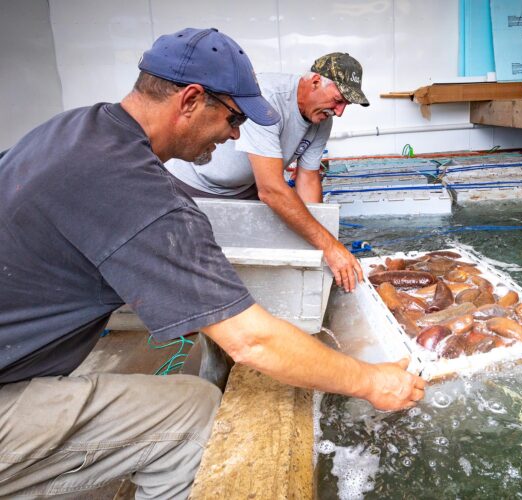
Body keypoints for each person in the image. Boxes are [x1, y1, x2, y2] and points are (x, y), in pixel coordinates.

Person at [0, 28, 425, 499]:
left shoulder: (74, 128)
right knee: (194, 412)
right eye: (233, 118)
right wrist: (370, 380)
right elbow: (253, 342)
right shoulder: (144, 199)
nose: (237, 135)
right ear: (190, 100)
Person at [165, 53, 369, 292]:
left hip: (245, 188)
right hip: (192, 184)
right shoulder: (267, 98)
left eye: (346, 104)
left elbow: (308, 179)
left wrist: (320, 248)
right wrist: (330, 247)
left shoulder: (322, 118)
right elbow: (271, 190)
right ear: (315, 82)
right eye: (338, 100)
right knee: (195, 268)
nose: (340, 111)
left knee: (257, 266)